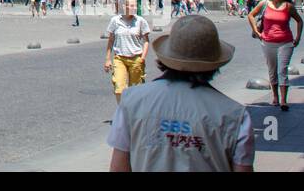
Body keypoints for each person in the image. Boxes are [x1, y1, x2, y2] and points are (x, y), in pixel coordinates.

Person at [106, 15, 254, 172]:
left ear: (167, 57)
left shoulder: (132, 101)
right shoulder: (235, 115)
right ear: (214, 63)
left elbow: (118, 167)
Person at [248, 0, 303, 111]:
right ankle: (275, 97)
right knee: (272, 70)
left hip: (286, 42)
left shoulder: (288, 6)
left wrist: (298, 37)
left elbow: (299, 21)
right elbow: (251, 15)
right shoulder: (264, 4)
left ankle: (283, 100)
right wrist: (256, 30)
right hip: (268, 42)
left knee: (282, 70)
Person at [104, 1, 152, 103]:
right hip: (119, 58)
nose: (134, 8)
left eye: (135, 5)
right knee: (119, 88)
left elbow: (146, 41)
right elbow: (111, 40)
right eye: (131, 5)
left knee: (135, 90)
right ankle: (122, 113)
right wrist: (107, 59)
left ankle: (134, 113)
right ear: (124, 6)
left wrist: (142, 58)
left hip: (136, 58)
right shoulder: (115, 20)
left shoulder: (140, 21)